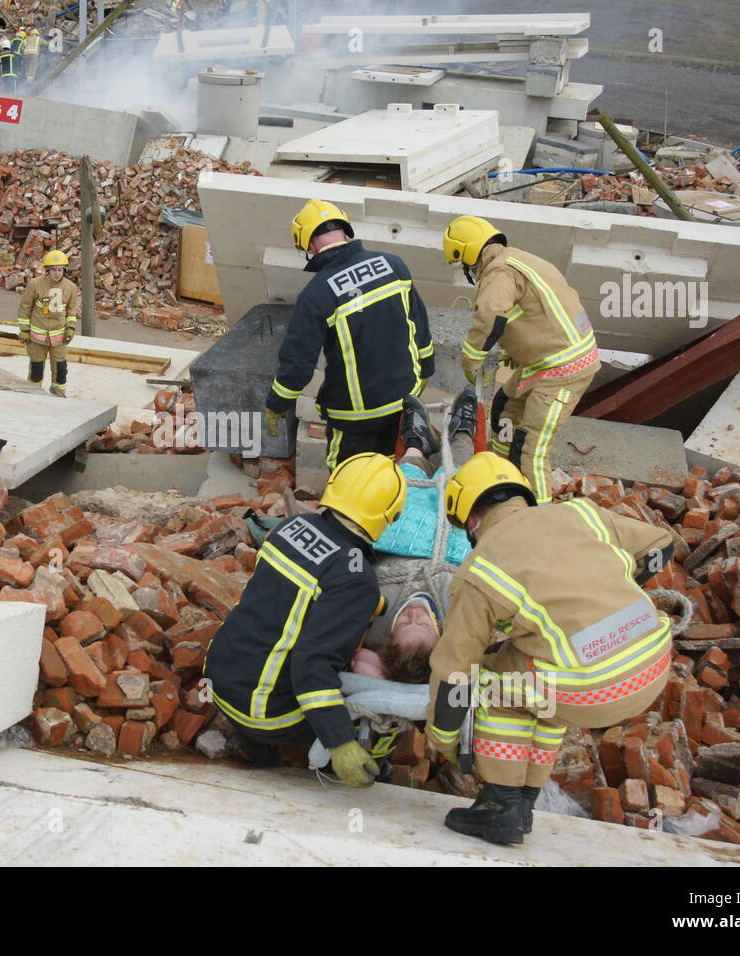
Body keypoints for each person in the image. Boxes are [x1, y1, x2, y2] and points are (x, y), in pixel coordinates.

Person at [425, 452, 676, 845]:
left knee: (492, 681)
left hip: (596, 689)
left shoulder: (481, 569)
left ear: (472, 519)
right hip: (655, 663)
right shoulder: (580, 514)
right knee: (544, 672)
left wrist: (441, 735)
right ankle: (526, 801)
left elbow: (456, 668)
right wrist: (615, 590)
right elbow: (662, 544)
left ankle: (501, 805)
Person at [203, 453, 407, 788]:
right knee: (388, 709)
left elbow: (289, 593)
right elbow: (313, 666)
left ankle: (255, 744)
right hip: (265, 711)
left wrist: (360, 601)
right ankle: (357, 762)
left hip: (220, 684)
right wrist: (340, 741)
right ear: (389, 515)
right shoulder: (356, 581)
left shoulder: (290, 527)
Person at [265, 199, 434, 470]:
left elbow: (298, 361)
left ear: (309, 246)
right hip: (404, 400)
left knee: (349, 479)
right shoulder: (394, 265)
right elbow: (419, 325)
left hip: (356, 415)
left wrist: (277, 403)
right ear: (347, 232)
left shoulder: (317, 292)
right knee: (393, 473)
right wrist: (425, 369)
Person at [443, 215, 599, 506]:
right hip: (547, 359)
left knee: (531, 447)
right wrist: (518, 348)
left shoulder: (499, 272)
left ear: (466, 254)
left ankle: (536, 513)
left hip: (562, 369)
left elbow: (491, 315)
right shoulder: (517, 259)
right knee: (505, 406)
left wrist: (471, 358)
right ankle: (505, 474)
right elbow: (535, 310)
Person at [18, 250, 80, 397]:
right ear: (48, 270)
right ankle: (34, 394)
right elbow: (25, 307)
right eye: (53, 270)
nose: (57, 273)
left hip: (59, 338)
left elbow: (71, 310)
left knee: (60, 370)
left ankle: (58, 394)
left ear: (64, 270)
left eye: (60, 270)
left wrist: (70, 328)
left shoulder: (70, 287)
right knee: (37, 369)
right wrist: (24, 330)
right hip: (37, 336)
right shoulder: (35, 284)